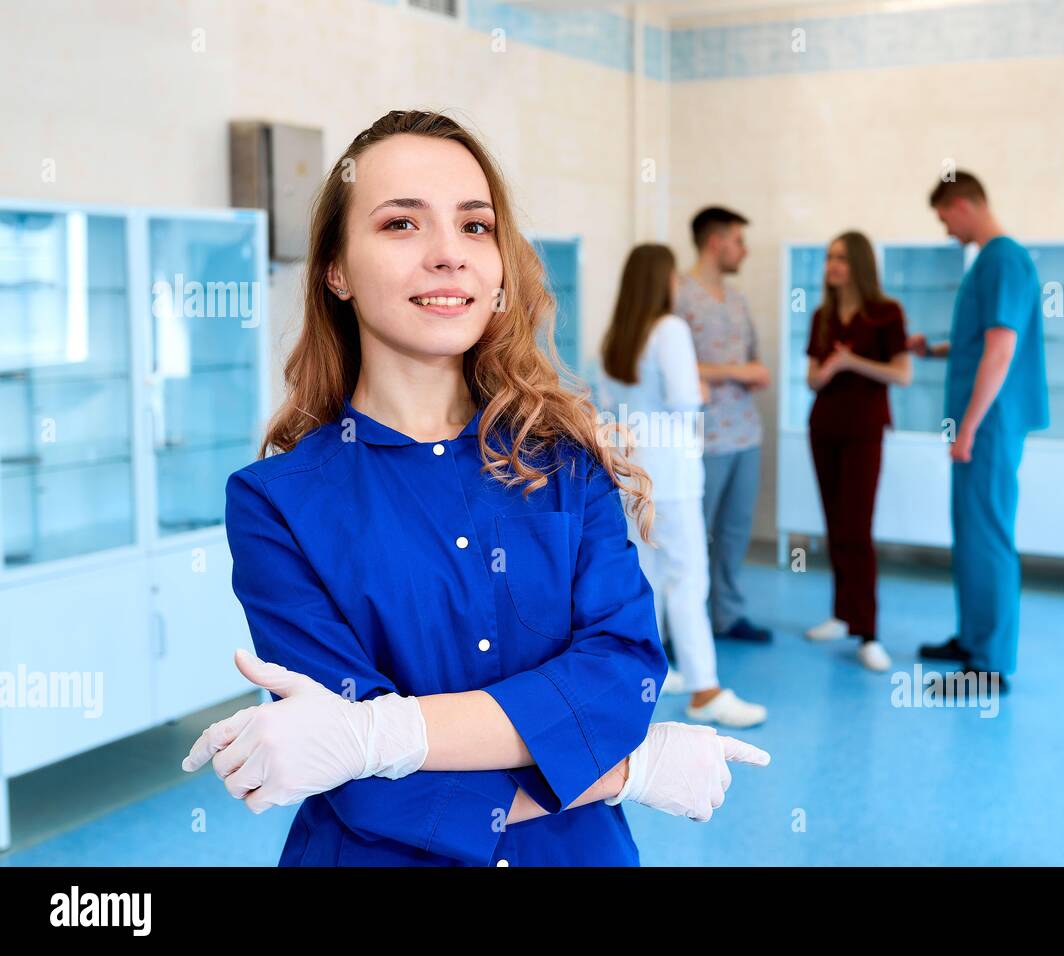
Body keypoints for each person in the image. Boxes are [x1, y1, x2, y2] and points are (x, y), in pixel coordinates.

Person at [179, 110, 769, 867]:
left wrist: (382, 738)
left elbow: (621, 680)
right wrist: (627, 771)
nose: (448, 255)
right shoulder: (277, 503)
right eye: (401, 224)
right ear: (336, 269)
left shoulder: (568, 463)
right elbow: (357, 780)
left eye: (475, 226)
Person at [596, 243, 767, 728]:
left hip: (630, 469)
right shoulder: (668, 329)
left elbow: (608, 399)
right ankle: (705, 691)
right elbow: (688, 402)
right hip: (671, 471)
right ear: (661, 281)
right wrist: (702, 390)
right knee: (689, 578)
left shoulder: (616, 335)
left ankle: (649, 672)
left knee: (645, 578)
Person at [906, 171, 1049, 693]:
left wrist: (967, 427)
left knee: (987, 536)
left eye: (944, 215)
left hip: (990, 424)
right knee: (970, 534)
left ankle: (991, 665)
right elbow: (979, 342)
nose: (945, 227)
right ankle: (972, 639)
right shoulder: (989, 261)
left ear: (962, 203)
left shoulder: (1004, 257)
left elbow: (1002, 347)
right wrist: (936, 349)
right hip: (984, 423)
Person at [803, 232, 912, 671]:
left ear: (860, 265)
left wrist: (851, 363)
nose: (833, 265)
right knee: (834, 524)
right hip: (824, 427)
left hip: (864, 431)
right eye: (829, 257)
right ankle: (841, 613)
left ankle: (867, 633)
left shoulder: (887, 313)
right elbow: (812, 379)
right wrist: (830, 368)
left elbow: (901, 374)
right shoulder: (822, 316)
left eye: (842, 258)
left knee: (857, 527)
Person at [676, 207, 772, 644]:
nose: (744, 250)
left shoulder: (737, 300)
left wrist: (743, 370)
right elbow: (671, 365)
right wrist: (736, 371)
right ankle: (683, 625)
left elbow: (755, 361)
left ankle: (727, 615)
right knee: (694, 537)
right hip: (701, 438)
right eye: (738, 240)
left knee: (734, 531)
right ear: (716, 242)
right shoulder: (678, 295)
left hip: (745, 434)